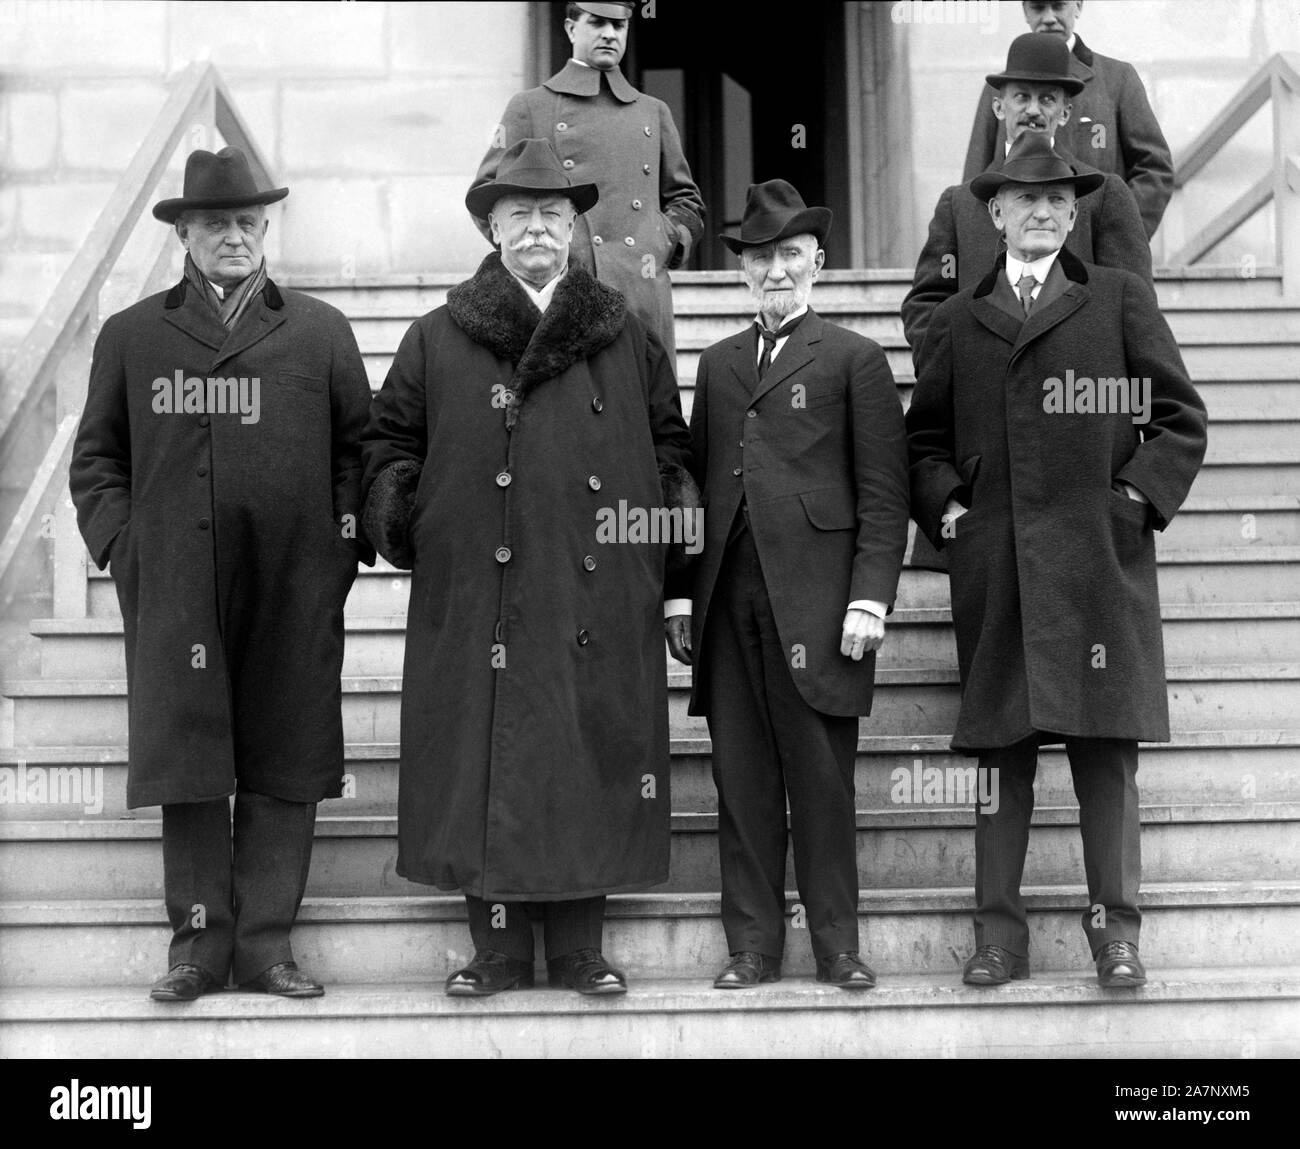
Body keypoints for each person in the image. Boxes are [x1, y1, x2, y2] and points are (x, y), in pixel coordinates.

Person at [360, 139, 696, 998]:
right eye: (520, 215)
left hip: (597, 590)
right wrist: (411, 520)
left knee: (588, 751)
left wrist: (658, 563)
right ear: (491, 228)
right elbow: (388, 445)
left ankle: (582, 948)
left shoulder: (623, 334)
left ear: (574, 225)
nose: (539, 229)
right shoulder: (439, 336)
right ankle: (498, 952)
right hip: (482, 592)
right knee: (487, 753)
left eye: (554, 213)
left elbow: (670, 450)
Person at [69, 146, 373, 1002]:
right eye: (214, 226)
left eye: (246, 222)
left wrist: (337, 550)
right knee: (193, 758)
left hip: (292, 579)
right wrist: (127, 550)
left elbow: (360, 447)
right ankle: (199, 949)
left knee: (287, 750)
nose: (233, 238)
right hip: (175, 583)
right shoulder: (132, 334)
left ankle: (267, 944)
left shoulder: (319, 330)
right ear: (185, 237)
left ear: (266, 228)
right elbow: (97, 459)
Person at [905, 134, 1207, 989]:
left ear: (1075, 216)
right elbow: (921, 439)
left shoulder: (1114, 299)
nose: (1044, 212)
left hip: (1098, 564)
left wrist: (1134, 502)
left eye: (1059, 202)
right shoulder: (962, 318)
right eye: (1026, 200)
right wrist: (951, 513)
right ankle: (999, 937)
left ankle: (1116, 935)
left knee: (1105, 754)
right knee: (1001, 759)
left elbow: (1180, 416)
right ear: (993, 214)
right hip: (998, 566)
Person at [665, 180, 910, 990]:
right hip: (728, 597)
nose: (777, 272)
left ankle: (838, 943)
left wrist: (870, 596)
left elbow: (884, 492)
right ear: (743, 270)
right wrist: (677, 592)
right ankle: (753, 947)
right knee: (741, 781)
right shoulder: (720, 362)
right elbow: (694, 484)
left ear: (818, 263)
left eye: (791, 256)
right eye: (762, 257)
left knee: (822, 783)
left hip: (819, 601)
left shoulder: (853, 358)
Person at [468, 0, 704, 359]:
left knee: (644, 406)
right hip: (565, 292)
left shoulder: (653, 111)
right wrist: (538, 258)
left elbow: (686, 200)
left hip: (641, 293)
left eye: (618, 26)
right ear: (570, 29)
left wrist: (665, 241)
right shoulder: (530, 106)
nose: (609, 33)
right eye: (597, 23)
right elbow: (485, 194)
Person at [903, 32, 1151, 361]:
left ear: (1065, 112)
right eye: (1021, 97)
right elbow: (927, 302)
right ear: (998, 106)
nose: (1033, 110)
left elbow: (1134, 306)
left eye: (1047, 99)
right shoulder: (960, 204)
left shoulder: (1103, 194)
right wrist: (955, 370)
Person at [962, 2, 1173, 238]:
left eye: (1059, 5)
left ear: (1078, 6)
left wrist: (1118, 236)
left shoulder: (1117, 79)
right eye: (1038, 7)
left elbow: (1154, 169)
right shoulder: (999, 89)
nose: (1049, 17)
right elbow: (975, 181)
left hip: (1093, 248)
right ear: (1025, 12)